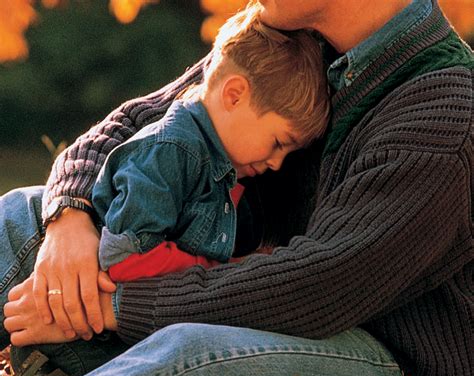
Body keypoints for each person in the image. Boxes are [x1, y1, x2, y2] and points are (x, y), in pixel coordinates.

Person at [2, 0, 472, 376]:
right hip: (218, 289)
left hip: (378, 351)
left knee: (193, 348)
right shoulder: (285, 39)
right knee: (22, 215)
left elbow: (318, 286)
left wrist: (114, 307)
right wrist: (70, 220)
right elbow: (140, 125)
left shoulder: (446, 110)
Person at [92, 5, 329, 283]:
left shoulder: (219, 166)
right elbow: (127, 260)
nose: (277, 163)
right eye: (278, 142)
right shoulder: (171, 153)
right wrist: (218, 270)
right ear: (234, 95)